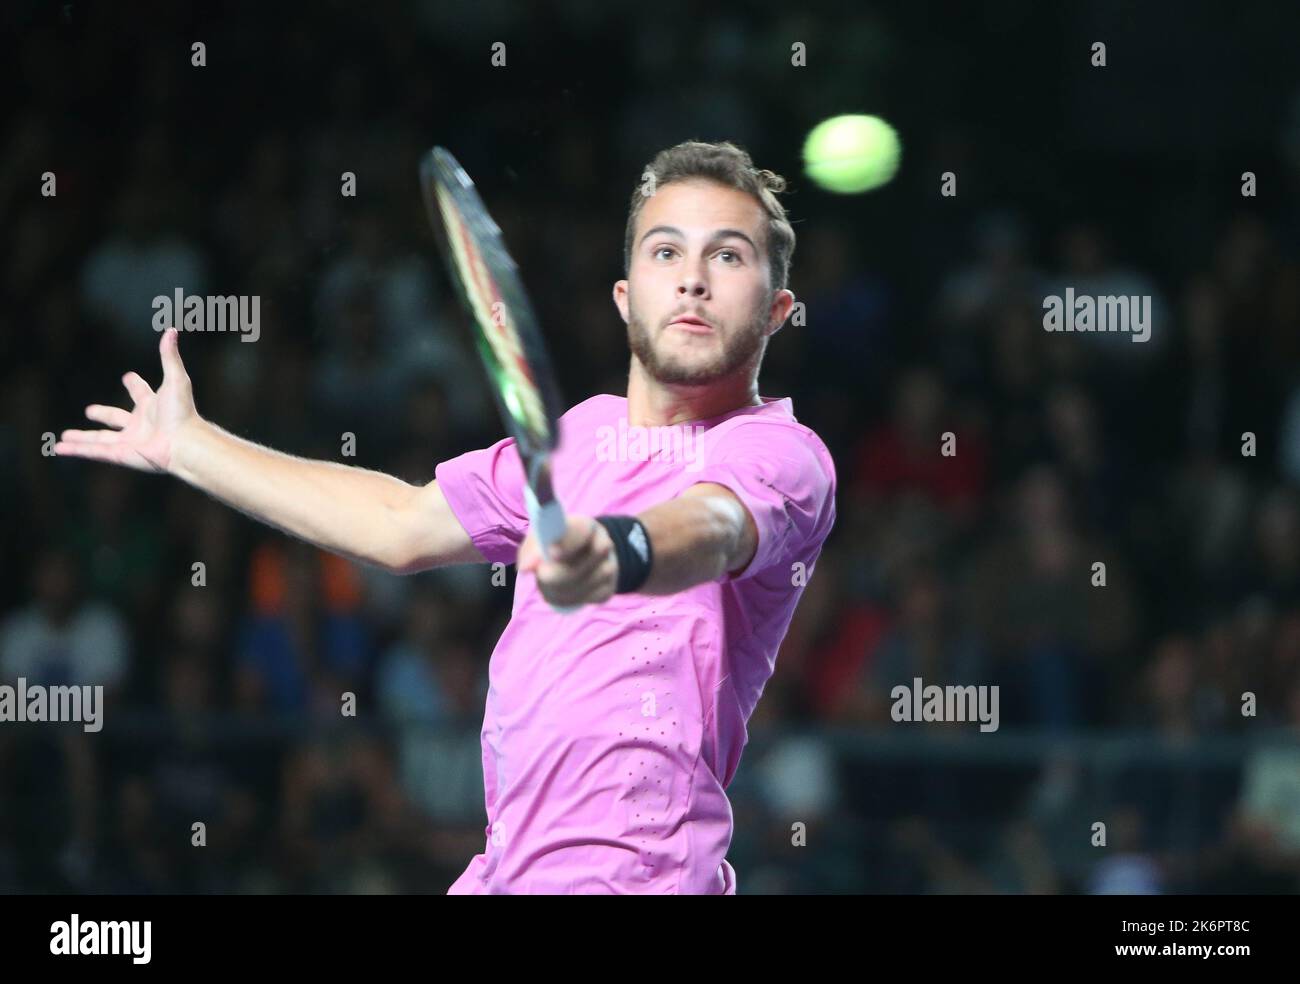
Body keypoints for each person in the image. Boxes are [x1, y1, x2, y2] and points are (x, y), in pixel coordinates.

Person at [56, 140, 837, 894]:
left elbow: (715, 526)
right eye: (666, 252)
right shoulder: (577, 439)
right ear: (626, 294)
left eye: (728, 255)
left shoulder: (780, 452)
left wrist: (617, 549)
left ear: (777, 310)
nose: (693, 279)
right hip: (505, 875)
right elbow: (399, 521)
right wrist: (192, 447)